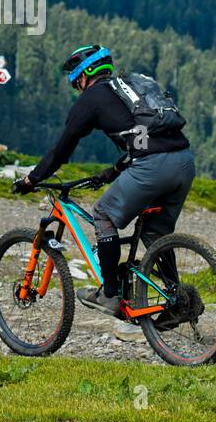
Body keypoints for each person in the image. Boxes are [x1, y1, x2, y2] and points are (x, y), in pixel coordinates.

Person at [12, 45, 196, 315]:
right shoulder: (131, 88)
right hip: (184, 162)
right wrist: (111, 173)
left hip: (152, 167)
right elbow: (143, 137)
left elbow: (62, 149)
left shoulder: (91, 99)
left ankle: (109, 294)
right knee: (155, 231)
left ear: (85, 76)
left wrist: (32, 179)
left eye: (77, 83)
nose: (78, 89)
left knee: (103, 214)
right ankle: (177, 298)